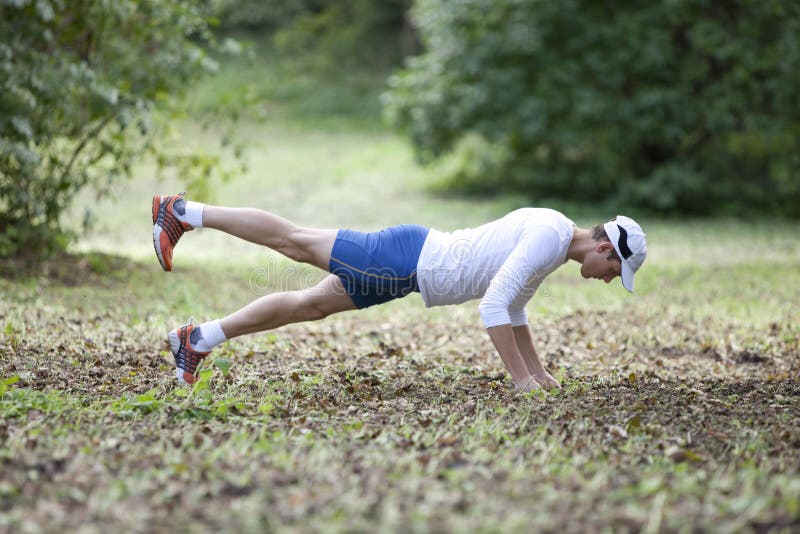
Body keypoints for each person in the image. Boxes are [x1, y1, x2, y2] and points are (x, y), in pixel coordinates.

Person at [152, 192, 647, 391]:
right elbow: (494, 307)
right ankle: (184, 212)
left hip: (409, 273)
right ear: (605, 246)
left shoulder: (555, 243)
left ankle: (197, 340)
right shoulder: (549, 237)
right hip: (408, 256)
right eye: (614, 270)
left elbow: (514, 309)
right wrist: (521, 383)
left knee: (311, 305)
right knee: (295, 241)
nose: (608, 280)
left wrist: (540, 374)